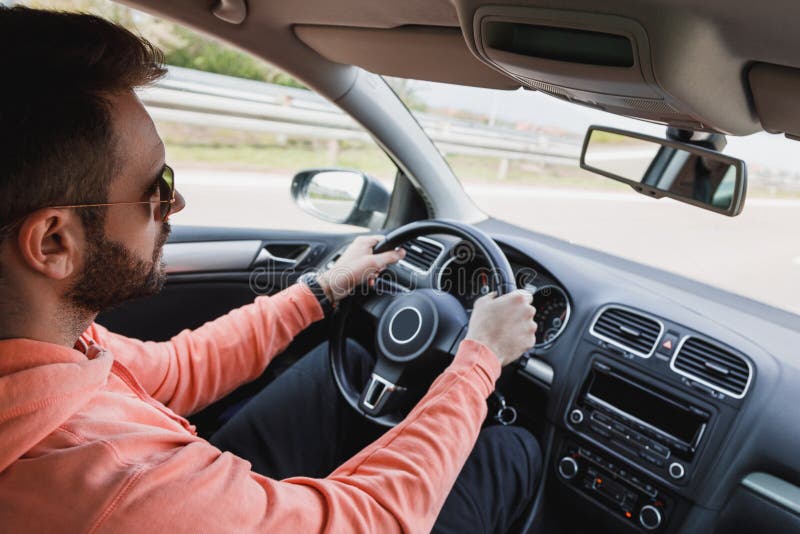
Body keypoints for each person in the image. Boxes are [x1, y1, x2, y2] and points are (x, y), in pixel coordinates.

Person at [0, 7, 542, 533]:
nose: (177, 202)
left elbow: (175, 371)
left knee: (346, 364)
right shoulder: (120, 487)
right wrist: (481, 358)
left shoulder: (41, 346)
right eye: (155, 187)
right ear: (53, 242)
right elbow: (375, 521)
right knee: (510, 453)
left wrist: (320, 292)